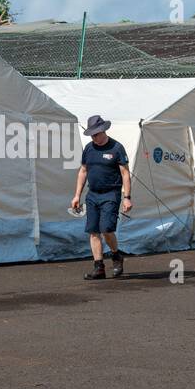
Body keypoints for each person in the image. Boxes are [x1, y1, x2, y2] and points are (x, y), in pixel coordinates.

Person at [71, 114, 133, 280]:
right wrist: (77, 195)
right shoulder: (89, 149)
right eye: (92, 134)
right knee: (93, 231)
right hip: (92, 194)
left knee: (106, 229)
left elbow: (125, 174)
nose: (94, 137)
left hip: (111, 194)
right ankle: (99, 267)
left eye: (96, 134)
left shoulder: (116, 148)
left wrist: (127, 197)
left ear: (103, 131)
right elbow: (83, 171)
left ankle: (116, 255)